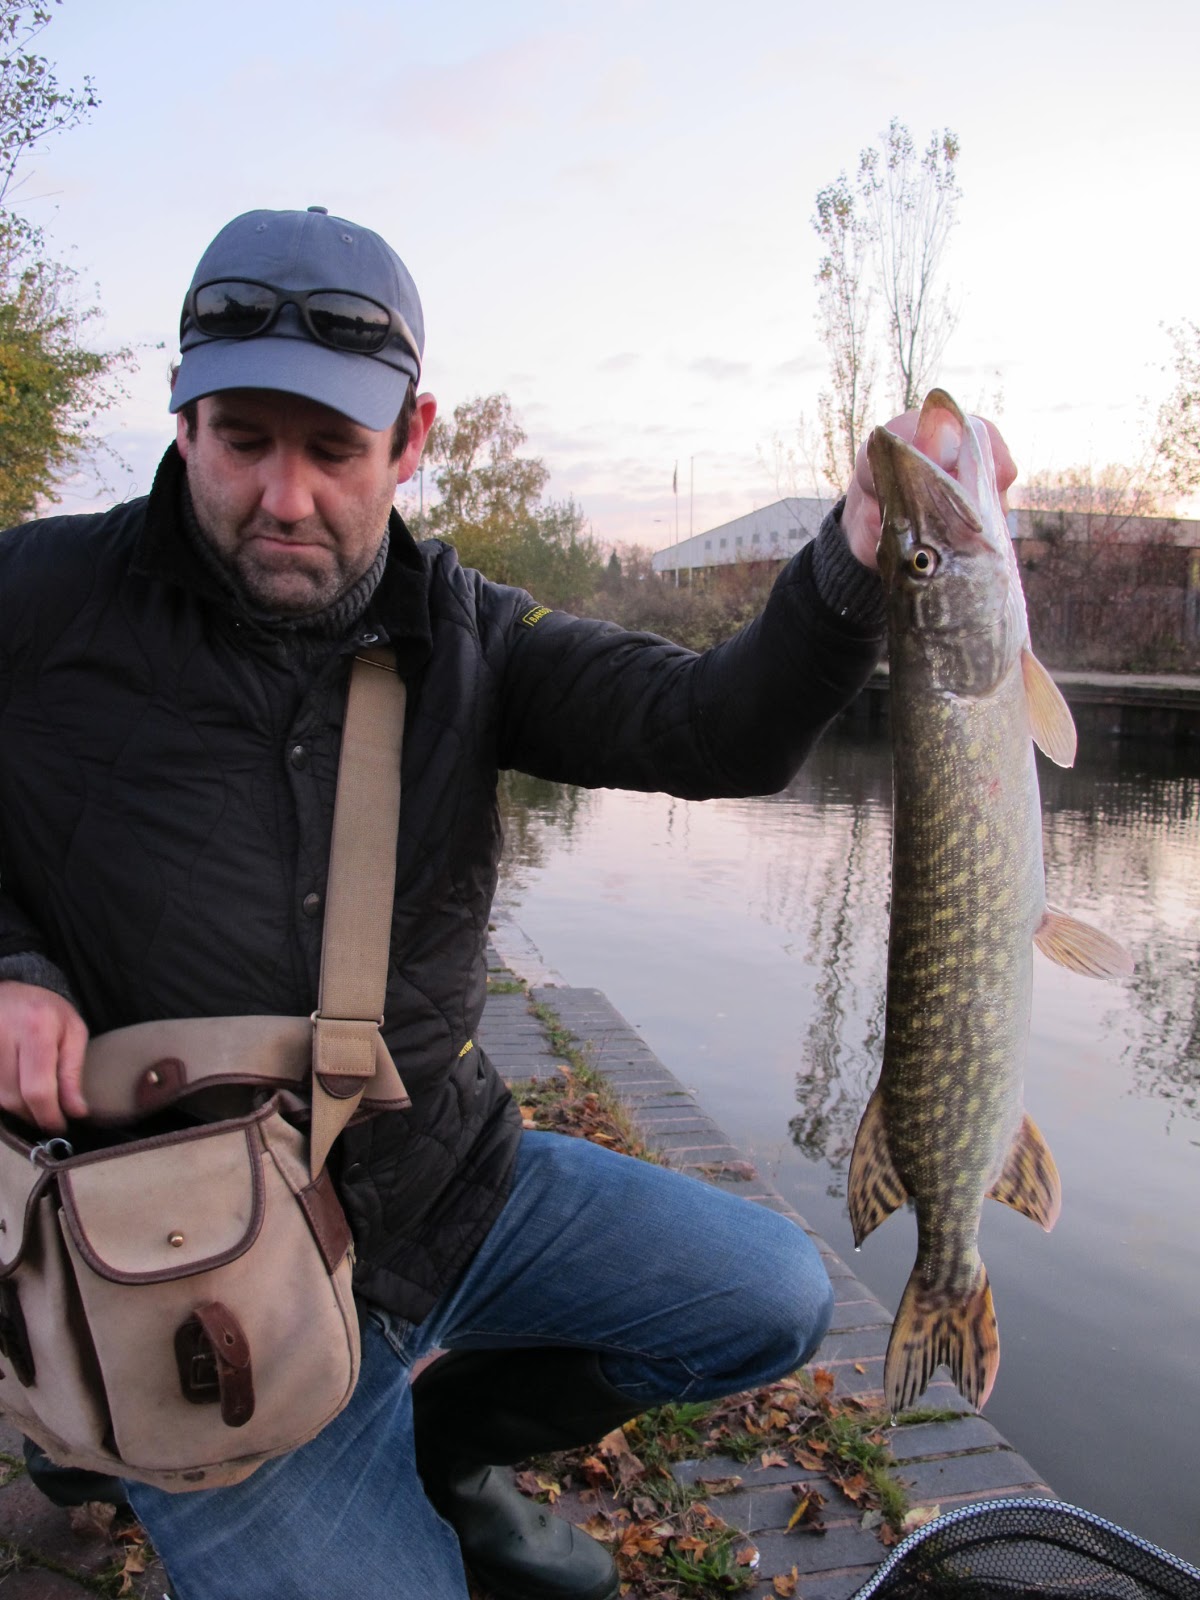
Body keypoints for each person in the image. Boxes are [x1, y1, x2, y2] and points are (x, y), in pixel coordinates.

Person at [0, 206, 1014, 1600]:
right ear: (183, 424)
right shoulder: (40, 602)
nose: (284, 496)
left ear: (410, 443)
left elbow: (713, 730)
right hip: (191, 1286)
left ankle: (435, 1435)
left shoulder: (474, 634)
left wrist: (852, 560)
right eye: (245, 440)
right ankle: (106, 1436)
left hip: (448, 1193)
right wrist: (16, 960)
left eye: (334, 449)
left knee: (773, 1297)